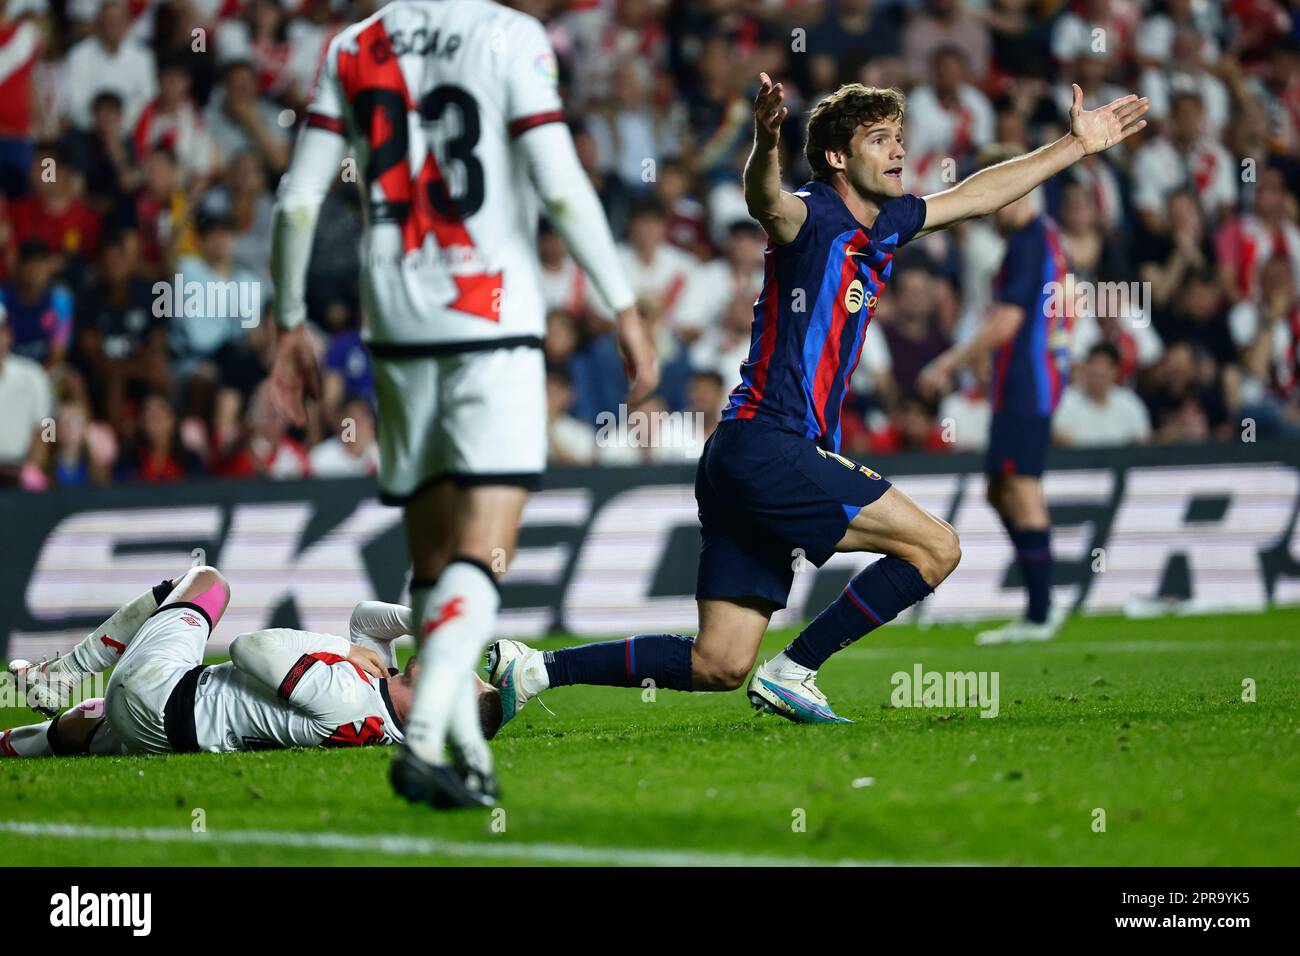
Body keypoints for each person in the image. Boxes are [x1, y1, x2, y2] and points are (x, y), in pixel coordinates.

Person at [487, 71, 1147, 727]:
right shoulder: (810, 215)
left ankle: (536, 669)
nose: (897, 151)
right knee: (935, 548)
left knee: (719, 661)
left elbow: (976, 196)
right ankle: (795, 670)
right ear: (837, 156)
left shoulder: (889, 222)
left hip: (741, 453)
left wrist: (1073, 147)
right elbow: (763, 199)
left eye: (899, 138)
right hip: (769, 443)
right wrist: (763, 138)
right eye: (880, 139)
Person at [267, 0, 657, 808]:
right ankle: (431, 737)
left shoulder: (353, 45)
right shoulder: (508, 36)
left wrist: (290, 322)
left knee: (434, 555)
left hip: (397, 323)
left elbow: (298, 200)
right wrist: (623, 305)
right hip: (493, 318)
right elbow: (557, 178)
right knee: (484, 549)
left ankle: (464, 756)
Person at [2, 567, 503, 758]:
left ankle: (62, 673)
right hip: (169, 737)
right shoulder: (385, 701)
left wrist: (343, 649)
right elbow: (367, 620)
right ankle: (13, 744)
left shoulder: (348, 698)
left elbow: (248, 648)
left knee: (205, 582)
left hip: (162, 696)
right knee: (80, 729)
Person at [918, 155, 1073, 644]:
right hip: (1024, 379)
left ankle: (1041, 613)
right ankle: (1039, 607)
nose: (991, 208)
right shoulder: (1041, 239)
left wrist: (948, 362)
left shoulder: (1028, 244)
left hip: (1029, 382)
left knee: (1021, 489)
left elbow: (1007, 324)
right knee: (999, 488)